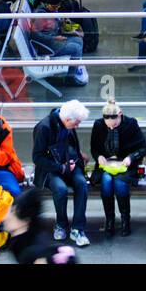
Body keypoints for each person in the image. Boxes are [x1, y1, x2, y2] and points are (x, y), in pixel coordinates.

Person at [32, 99, 91, 246]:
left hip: (69, 164)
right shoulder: (44, 128)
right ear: (67, 119)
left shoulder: (68, 123)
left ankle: (78, 228)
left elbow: (70, 144)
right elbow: (37, 157)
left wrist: (78, 155)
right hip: (51, 169)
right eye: (76, 122)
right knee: (60, 189)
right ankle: (61, 224)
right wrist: (61, 168)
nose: (77, 125)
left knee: (82, 184)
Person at [90, 100, 146, 237]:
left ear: (120, 115)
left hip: (127, 165)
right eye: (108, 126)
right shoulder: (98, 125)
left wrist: (131, 158)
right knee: (106, 180)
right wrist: (98, 157)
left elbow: (144, 148)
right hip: (106, 165)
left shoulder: (131, 124)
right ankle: (110, 219)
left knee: (119, 182)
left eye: (114, 124)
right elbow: (94, 149)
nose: (111, 128)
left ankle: (125, 219)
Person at [4, 187, 78, 264]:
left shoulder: (34, 253)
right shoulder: (23, 242)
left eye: (12, 212)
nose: (6, 216)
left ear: (26, 221)